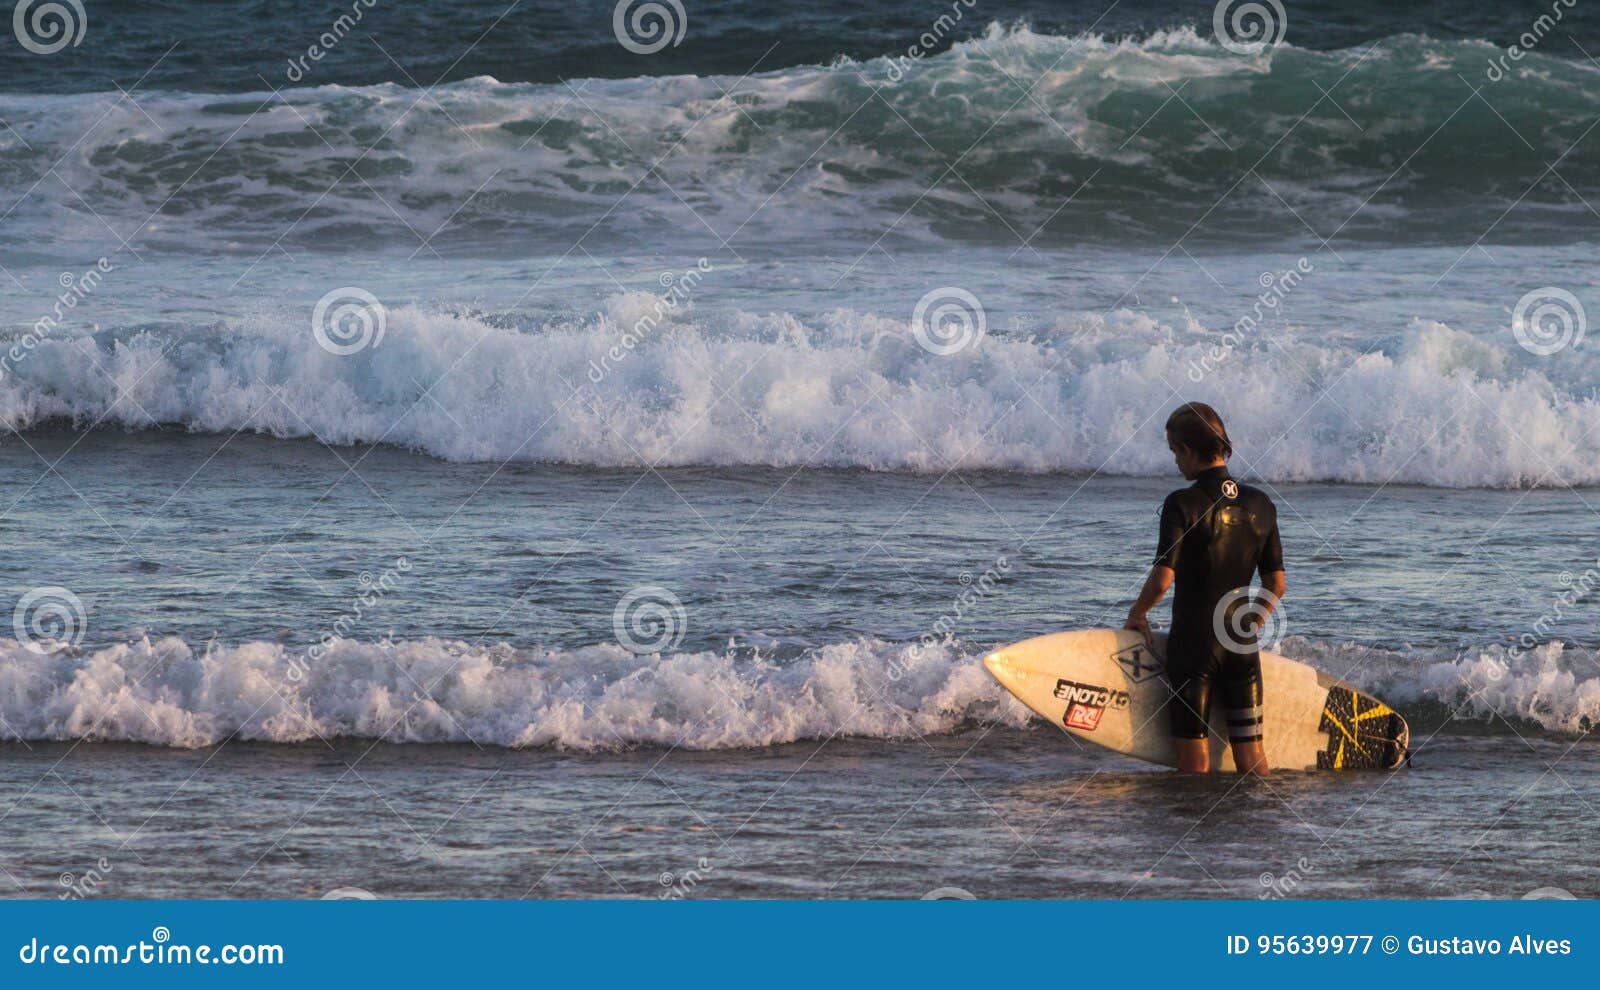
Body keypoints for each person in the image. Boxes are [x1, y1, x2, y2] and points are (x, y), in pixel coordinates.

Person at [1123, 403, 1285, 775]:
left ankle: (1194, 831)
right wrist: (1252, 625)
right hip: (1241, 645)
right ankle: (1257, 827)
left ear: (1187, 450)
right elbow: (1276, 584)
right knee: (1253, 757)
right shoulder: (1261, 503)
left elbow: (1164, 579)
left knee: (1194, 763)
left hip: (1194, 648)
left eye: (1174, 451)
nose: (1176, 462)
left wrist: (1137, 614)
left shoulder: (1182, 504)